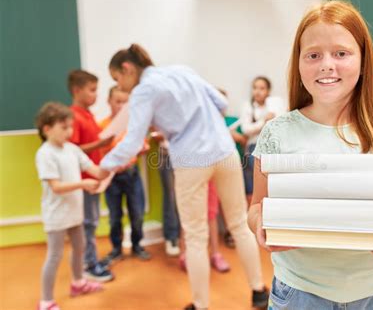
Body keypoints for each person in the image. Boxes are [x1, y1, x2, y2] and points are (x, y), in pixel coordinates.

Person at [247, 0, 373, 310]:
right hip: (299, 293)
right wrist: (260, 224)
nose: (326, 64)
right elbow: (256, 207)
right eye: (313, 55)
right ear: (299, 62)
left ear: (363, 59)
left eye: (341, 53)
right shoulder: (276, 132)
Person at [99, 44, 269, 310]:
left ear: (127, 68)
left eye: (117, 79)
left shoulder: (144, 90)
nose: (121, 86)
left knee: (195, 235)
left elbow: (131, 142)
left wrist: (104, 166)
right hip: (224, 152)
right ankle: (259, 291)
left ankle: (201, 305)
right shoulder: (182, 71)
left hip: (191, 161)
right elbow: (222, 104)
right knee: (239, 223)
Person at [35, 102, 108, 310]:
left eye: (70, 127)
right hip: (57, 215)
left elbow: (94, 170)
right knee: (55, 255)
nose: (69, 132)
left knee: (79, 248)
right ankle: (46, 301)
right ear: (47, 129)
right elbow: (56, 186)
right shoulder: (45, 154)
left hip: (74, 212)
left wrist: (113, 165)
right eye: (64, 127)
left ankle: (78, 283)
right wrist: (83, 184)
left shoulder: (72, 149)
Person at [68, 70, 114, 282]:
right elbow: (73, 150)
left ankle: (91, 259)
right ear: (77, 90)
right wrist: (100, 144)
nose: (95, 95)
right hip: (83, 179)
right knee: (88, 222)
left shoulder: (88, 115)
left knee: (93, 220)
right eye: (92, 90)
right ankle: (89, 264)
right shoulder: (73, 116)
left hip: (94, 177)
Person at [99, 86, 151, 265]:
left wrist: (142, 149)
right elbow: (100, 151)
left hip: (132, 175)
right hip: (112, 178)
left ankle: (137, 245)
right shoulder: (103, 126)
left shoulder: (133, 126)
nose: (121, 106)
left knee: (137, 213)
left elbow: (142, 147)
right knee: (114, 216)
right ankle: (116, 249)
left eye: (125, 102)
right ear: (109, 101)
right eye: (117, 101)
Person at [240, 76, 275, 204]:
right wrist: (263, 122)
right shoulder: (248, 107)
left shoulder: (273, 106)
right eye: (255, 88)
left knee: (270, 184)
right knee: (255, 185)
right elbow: (245, 129)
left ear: (268, 91)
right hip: (253, 148)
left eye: (262, 88)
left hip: (271, 148)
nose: (257, 91)